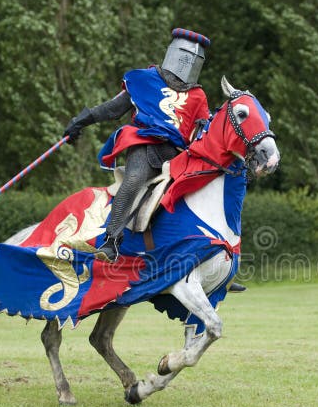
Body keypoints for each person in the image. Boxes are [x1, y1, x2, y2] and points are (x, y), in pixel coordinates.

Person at [63, 28, 212, 263]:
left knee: (207, 188)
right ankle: (111, 240)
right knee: (134, 179)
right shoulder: (144, 79)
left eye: (195, 58)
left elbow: (204, 129)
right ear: (173, 53)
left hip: (177, 155)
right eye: (185, 55)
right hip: (144, 144)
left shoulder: (197, 96)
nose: (188, 61)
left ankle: (216, 257)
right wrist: (82, 120)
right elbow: (113, 108)